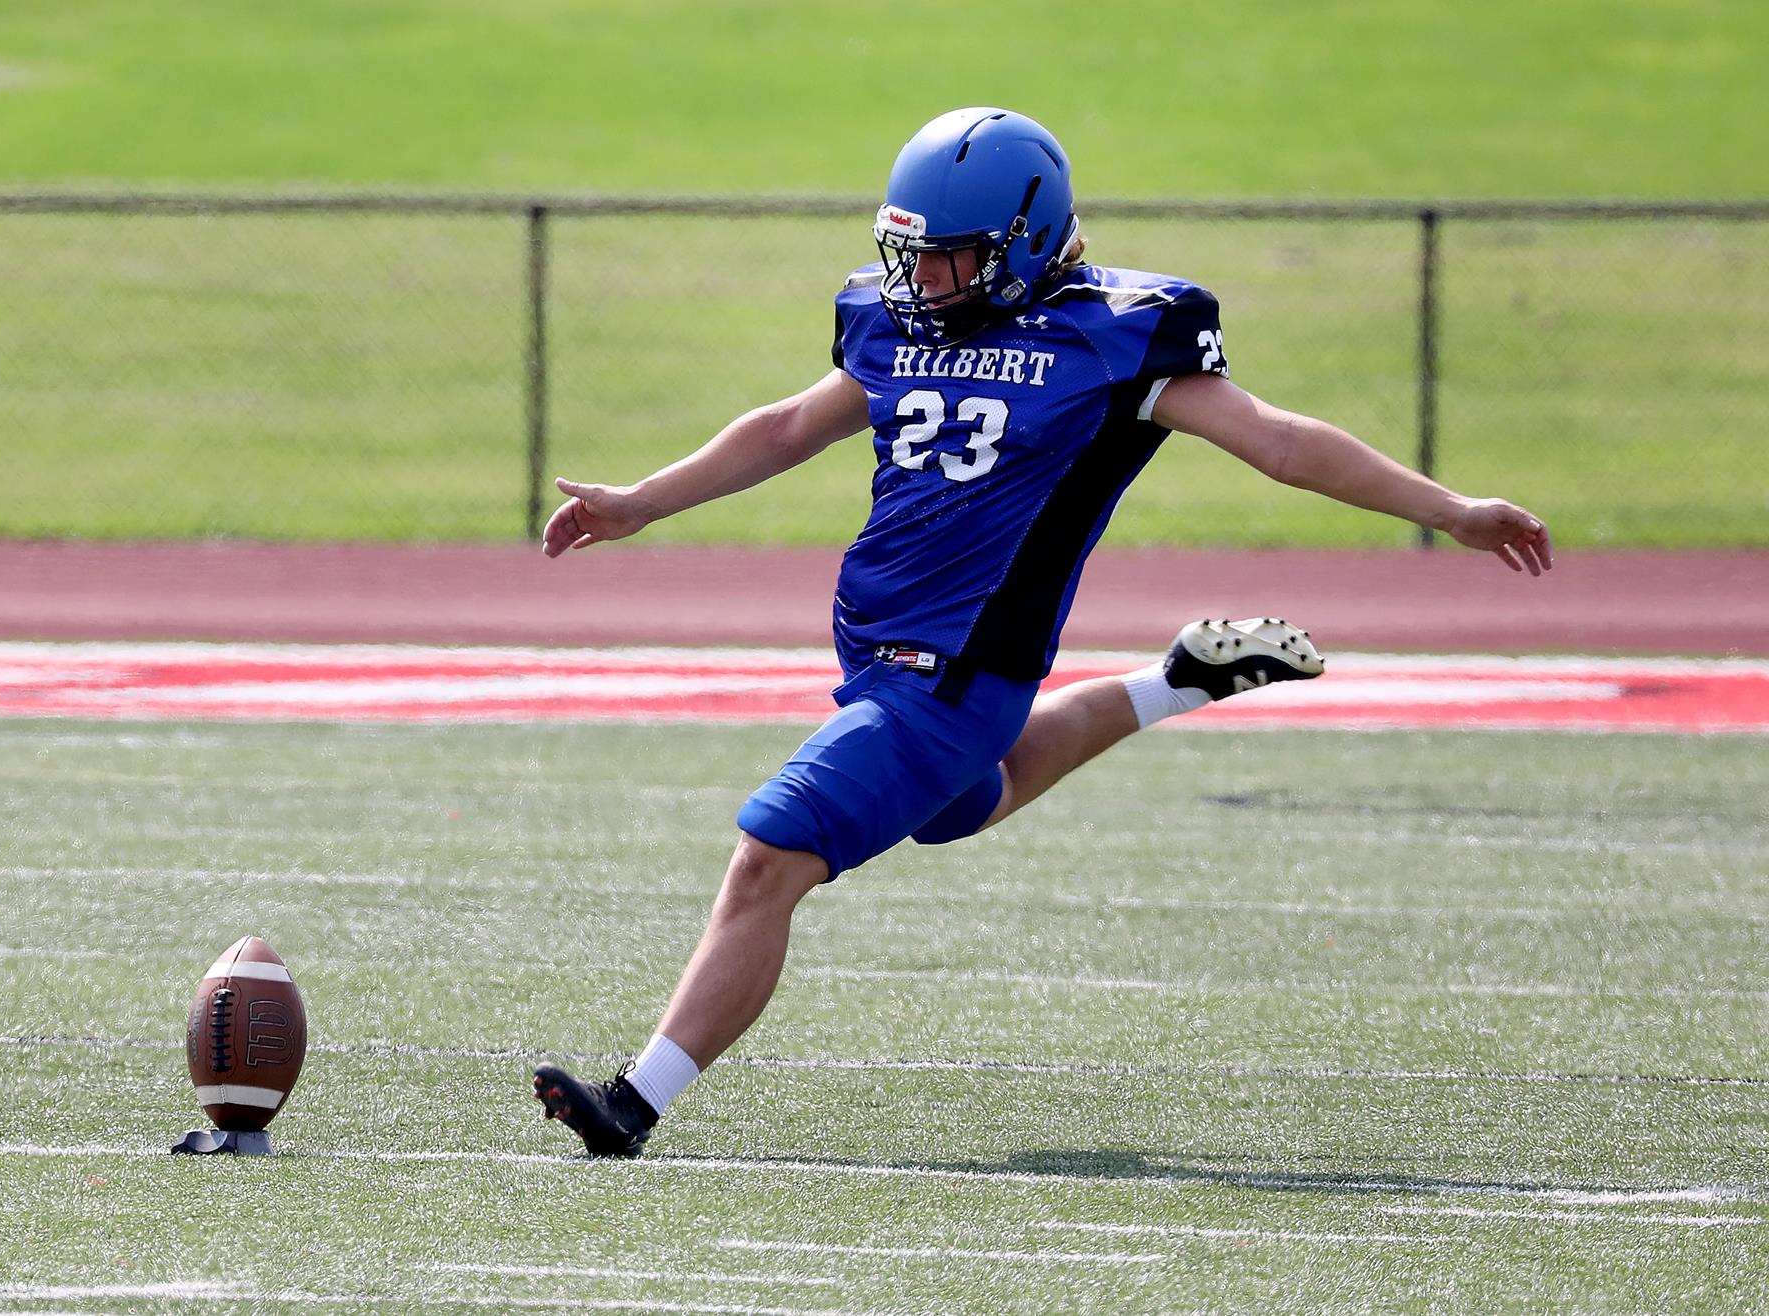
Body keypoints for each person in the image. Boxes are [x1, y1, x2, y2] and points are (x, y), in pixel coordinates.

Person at [530, 108, 1552, 1157]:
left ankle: (634, 1103)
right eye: (912, 254)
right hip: (881, 654)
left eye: (949, 256)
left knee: (770, 856)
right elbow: (789, 424)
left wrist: (1450, 510)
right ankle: (1179, 680)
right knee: (974, 798)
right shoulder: (895, 321)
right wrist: (644, 500)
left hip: (957, 672)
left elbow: (1281, 443)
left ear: (1023, 242)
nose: (922, 279)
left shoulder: (1116, 335)